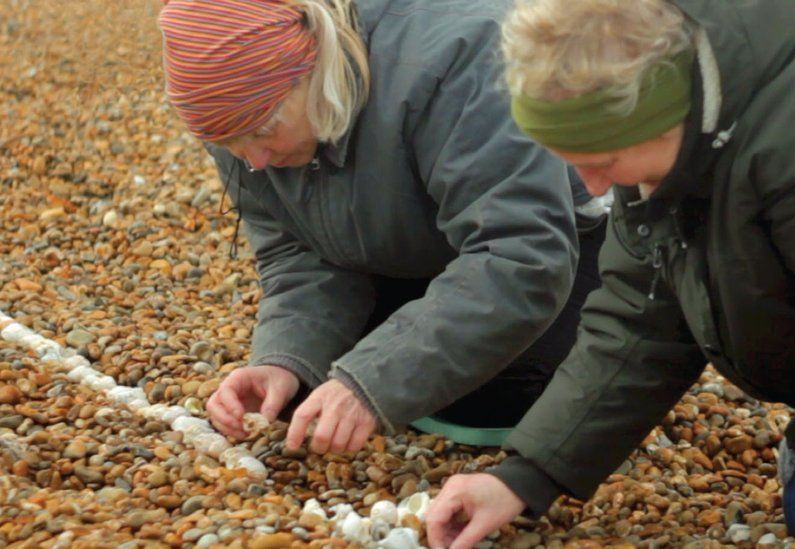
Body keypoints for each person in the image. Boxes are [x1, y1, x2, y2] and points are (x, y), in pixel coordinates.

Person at [427, 0, 795, 547]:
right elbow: (639, 317)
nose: (593, 189)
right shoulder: (681, 109)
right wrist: (523, 477)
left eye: (604, 162)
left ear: (663, 115)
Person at [156, 0, 606, 453]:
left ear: (312, 70)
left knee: (504, 398)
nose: (255, 161)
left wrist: (372, 380)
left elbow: (522, 255)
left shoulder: (458, 57)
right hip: (413, 242)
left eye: (263, 130)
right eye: (227, 144)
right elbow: (298, 250)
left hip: (565, 235)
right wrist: (285, 359)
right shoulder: (235, 121)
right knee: (318, 383)